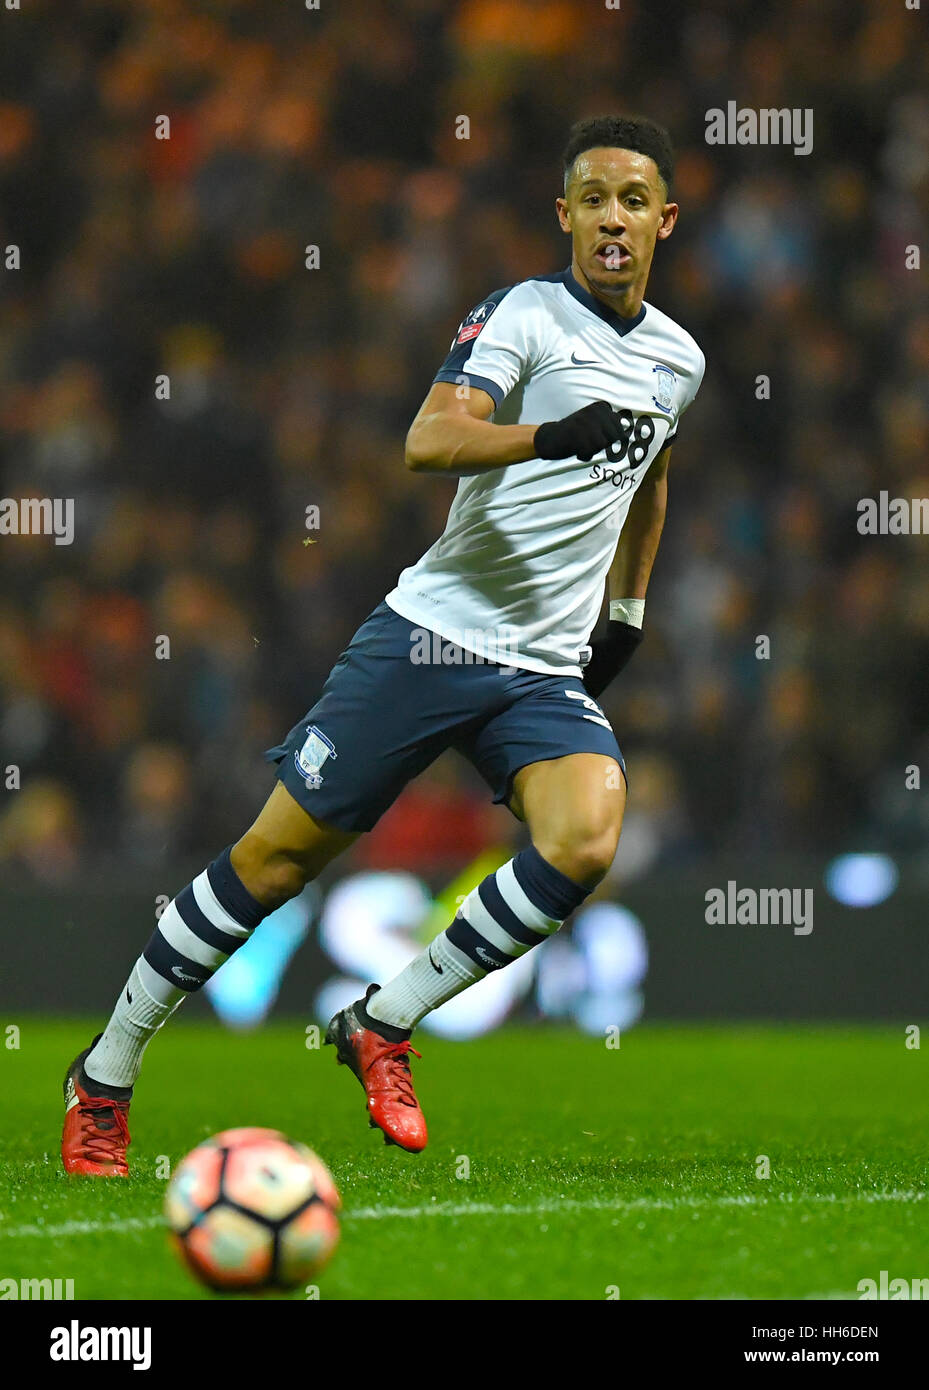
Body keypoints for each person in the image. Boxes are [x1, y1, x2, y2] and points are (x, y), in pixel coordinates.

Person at [62, 113, 704, 1173]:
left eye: (632, 200)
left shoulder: (676, 358)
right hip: (433, 637)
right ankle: (104, 1074)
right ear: (563, 215)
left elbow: (654, 474)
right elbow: (429, 437)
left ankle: (381, 1020)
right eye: (590, 197)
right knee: (272, 861)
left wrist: (625, 613)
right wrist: (545, 435)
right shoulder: (523, 317)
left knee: (587, 835)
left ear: (663, 221)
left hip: (539, 668)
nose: (611, 219)